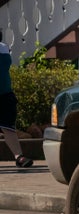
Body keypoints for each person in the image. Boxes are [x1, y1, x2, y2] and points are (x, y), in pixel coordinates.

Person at [0, 31, 34, 168]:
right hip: (6, 94)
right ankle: (18, 156)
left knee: (8, 127)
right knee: (8, 127)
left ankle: (19, 156)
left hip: (5, 95)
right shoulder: (4, 48)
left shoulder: (3, 48)